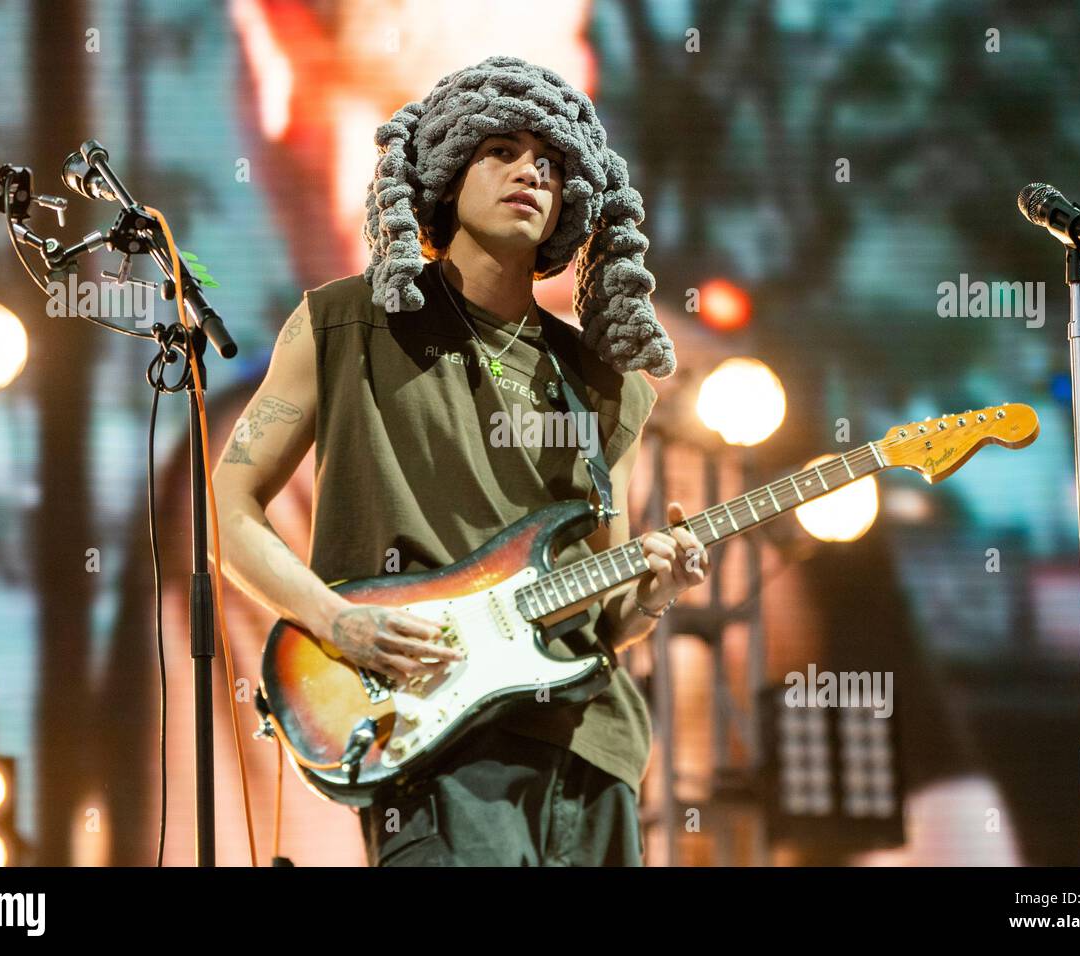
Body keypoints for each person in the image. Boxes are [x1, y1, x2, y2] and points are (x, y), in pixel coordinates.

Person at [211, 55, 708, 866]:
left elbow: (601, 615)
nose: (531, 172)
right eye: (502, 150)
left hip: (594, 751)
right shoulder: (343, 325)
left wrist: (652, 595)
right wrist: (334, 620)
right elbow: (227, 510)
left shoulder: (605, 385)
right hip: (432, 734)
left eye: (550, 163)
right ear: (446, 168)